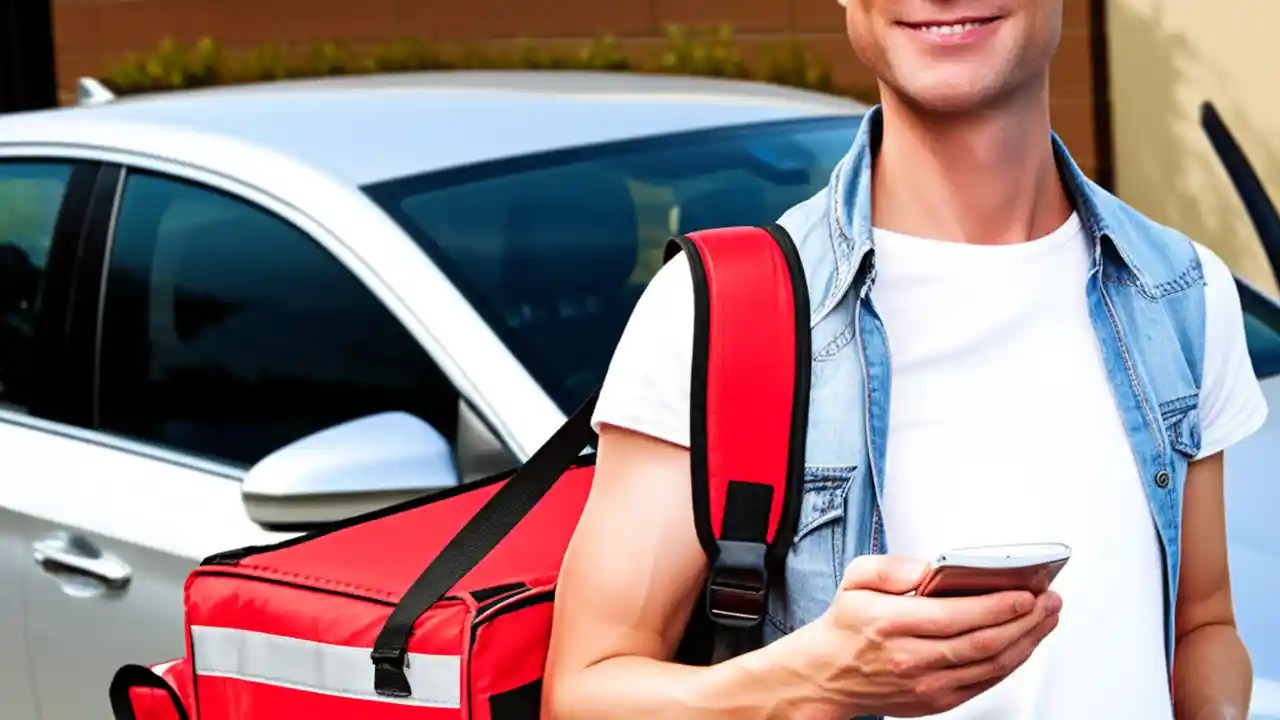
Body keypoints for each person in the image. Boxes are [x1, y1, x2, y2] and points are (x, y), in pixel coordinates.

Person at [544, 1, 1267, 718]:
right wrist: (811, 683)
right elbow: (582, 695)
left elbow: (1202, 627)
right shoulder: (716, 312)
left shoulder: (1181, 292)